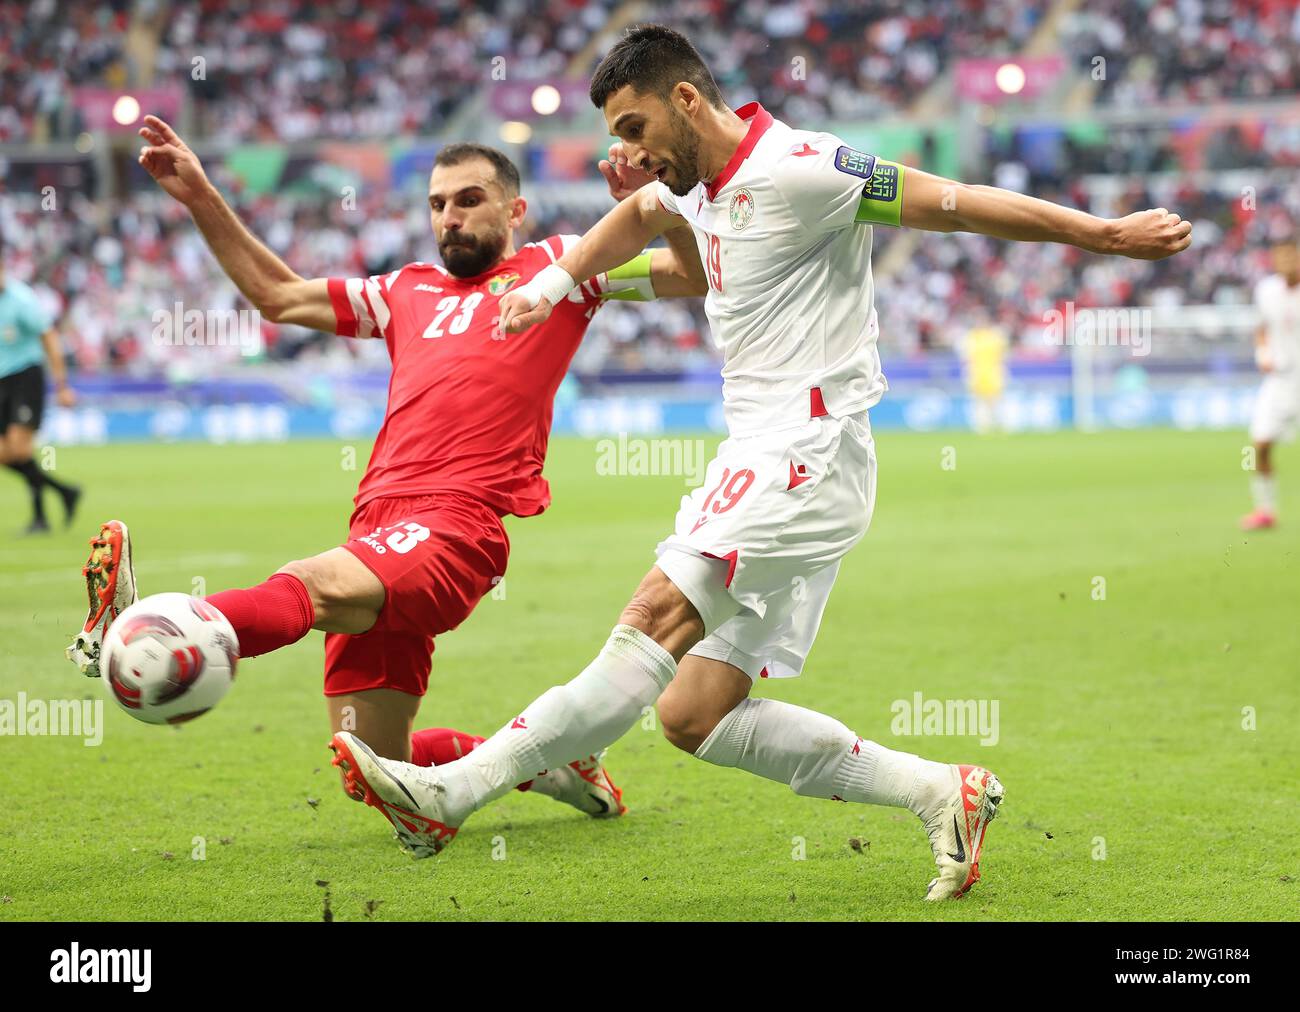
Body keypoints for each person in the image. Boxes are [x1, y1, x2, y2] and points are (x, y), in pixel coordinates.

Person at [329, 24, 1192, 900]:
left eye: (633, 129)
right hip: (764, 454)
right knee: (693, 713)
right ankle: (942, 792)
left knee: (651, 618)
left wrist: (1106, 236)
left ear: (687, 102)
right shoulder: (691, 183)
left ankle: (451, 793)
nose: (624, 154)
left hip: (806, 451)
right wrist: (552, 284)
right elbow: (633, 218)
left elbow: (957, 201)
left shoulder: (806, 168)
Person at [67, 114, 708, 827]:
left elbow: (691, 272)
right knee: (373, 765)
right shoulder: (404, 289)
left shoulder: (563, 269)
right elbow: (278, 297)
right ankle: (554, 764)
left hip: (456, 526)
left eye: (468, 200)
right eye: (437, 204)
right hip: (375, 525)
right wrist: (200, 198)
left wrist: (665, 203)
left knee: (306, 582)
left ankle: (153, 627)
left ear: (514, 209)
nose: (450, 217)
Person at [0, 248, 82, 535]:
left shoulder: (21, 299)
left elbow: (49, 337)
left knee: (20, 449)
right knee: (6, 453)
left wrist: (62, 385)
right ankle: (64, 492)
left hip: (25, 376)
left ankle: (41, 517)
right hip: (1, 381)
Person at [1240, 237, 1300, 530]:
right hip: (1280, 381)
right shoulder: (1266, 291)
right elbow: (1261, 329)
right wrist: (1262, 352)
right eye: (1281, 257)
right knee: (1260, 445)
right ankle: (1265, 510)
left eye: (1292, 256)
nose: (1287, 262)